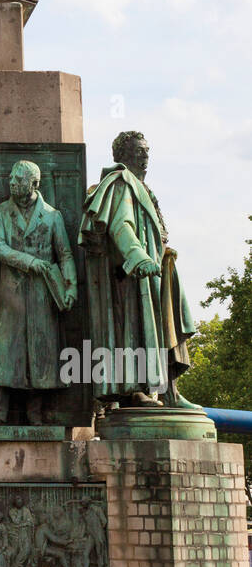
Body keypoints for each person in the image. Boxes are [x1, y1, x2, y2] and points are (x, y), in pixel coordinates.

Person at [78, 131, 196, 405]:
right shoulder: (120, 183)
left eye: (146, 151)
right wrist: (138, 256)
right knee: (137, 330)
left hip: (158, 270)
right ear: (122, 155)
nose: (145, 156)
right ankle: (135, 391)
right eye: (138, 151)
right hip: (133, 274)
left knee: (167, 330)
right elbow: (122, 226)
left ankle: (172, 394)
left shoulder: (143, 188)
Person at [0, 160, 77, 424]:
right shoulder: (0, 212)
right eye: (11, 179)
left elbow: (65, 254)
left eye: (19, 180)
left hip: (43, 294)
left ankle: (36, 413)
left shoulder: (51, 215)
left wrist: (70, 286)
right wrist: (29, 261)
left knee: (40, 353)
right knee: (6, 351)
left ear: (34, 184)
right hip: (12, 294)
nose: (12, 183)